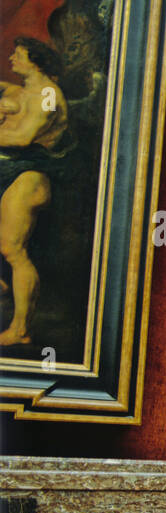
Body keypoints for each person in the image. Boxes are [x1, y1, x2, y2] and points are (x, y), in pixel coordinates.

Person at [0, 38, 70, 347]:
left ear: (36, 61)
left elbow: (24, 137)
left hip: (27, 174)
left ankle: (20, 330)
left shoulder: (47, 96)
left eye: (18, 53)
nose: (11, 57)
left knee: (12, 249)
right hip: (6, 168)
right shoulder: (18, 91)